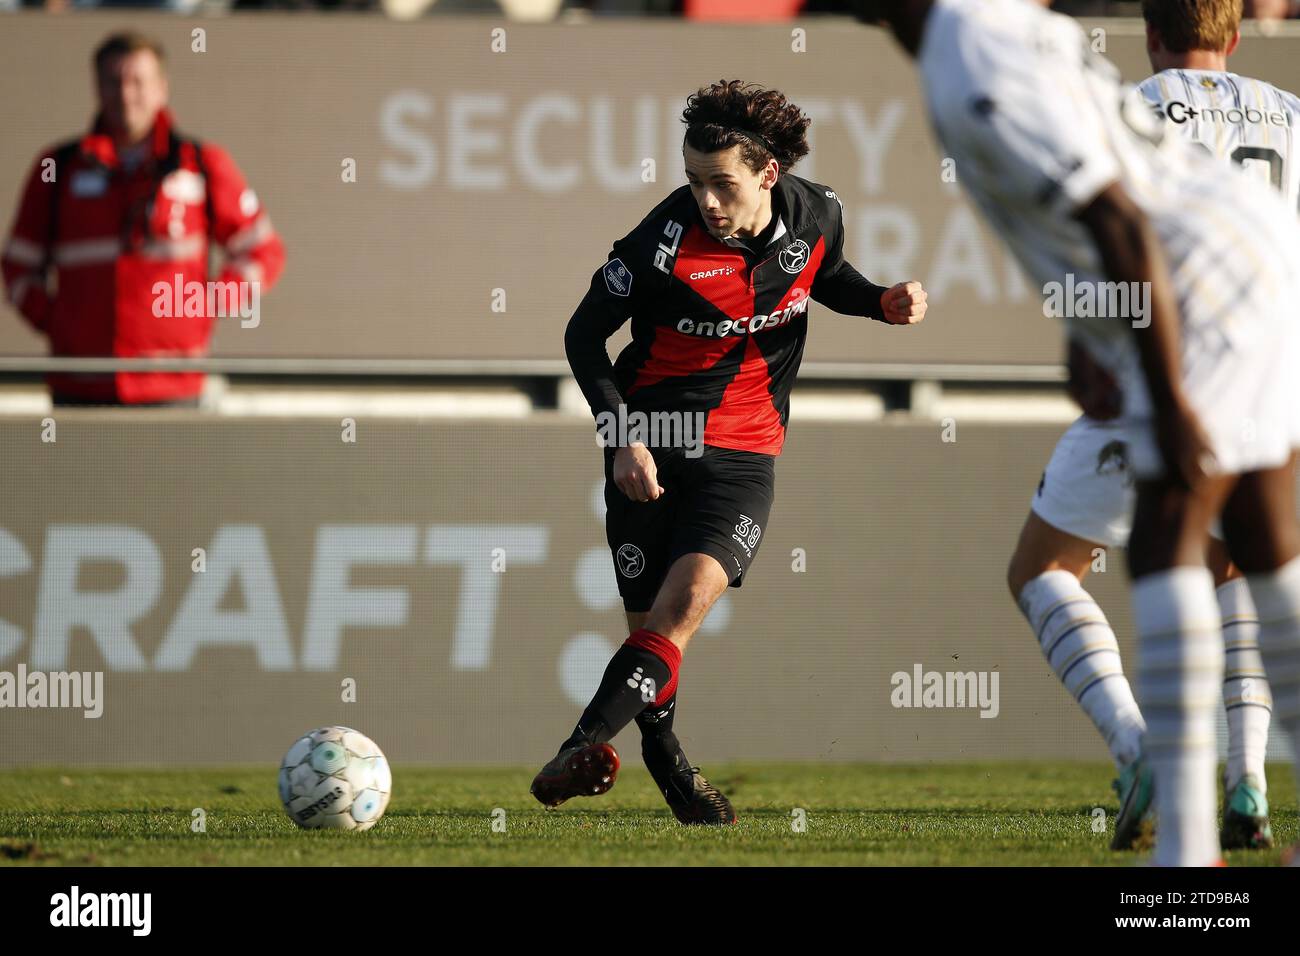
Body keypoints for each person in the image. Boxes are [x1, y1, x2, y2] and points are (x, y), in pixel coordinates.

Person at [854, 0, 1300, 866]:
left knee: (1148, 538)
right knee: (1252, 544)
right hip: (1255, 278)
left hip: (1182, 290)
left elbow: (1120, 220)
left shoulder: (974, 48)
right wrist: (1086, 329)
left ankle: (1184, 849)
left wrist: (1165, 397)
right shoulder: (991, 32)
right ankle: (1228, 796)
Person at [535, 79, 928, 824]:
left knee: (679, 613)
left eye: (722, 184)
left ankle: (575, 750)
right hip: (647, 448)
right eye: (693, 181)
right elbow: (583, 338)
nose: (707, 201)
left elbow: (825, 277)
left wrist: (879, 301)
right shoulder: (657, 246)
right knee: (650, 635)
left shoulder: (822, 214)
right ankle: (674, 772)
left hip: (745, 452)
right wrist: (621, 440)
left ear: (768, 176)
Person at [1006, 0, 1299, 853]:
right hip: (1268, 374)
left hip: (1164, 370)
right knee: (1235, 563)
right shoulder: (1288, 117)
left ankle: (1140, 752)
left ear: (1151, 32)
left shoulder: (1130, 108)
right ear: (1235, 34)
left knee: (1043, 567)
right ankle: (1247, 780)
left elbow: (1104, 240)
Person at [2, 31, 285, 407]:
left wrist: (203, 308)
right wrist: (60, 325)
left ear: (161, 89)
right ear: (97, 88)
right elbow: (18, 267)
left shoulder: (200, 163)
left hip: (173, 387)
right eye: (113, 81)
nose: (125, 94)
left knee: (175, 469)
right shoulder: (58, 168)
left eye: (138, 81)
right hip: (81, 387)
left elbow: (264, 255)